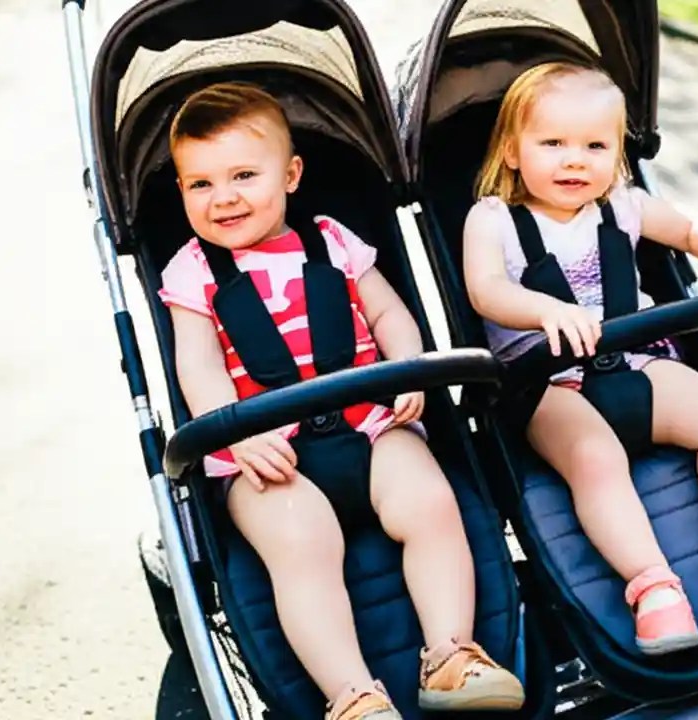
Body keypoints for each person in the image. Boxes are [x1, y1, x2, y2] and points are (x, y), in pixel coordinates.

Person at [159, 82, 524, 720]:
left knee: (432, 506)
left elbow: (387, 311)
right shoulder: (191, 271)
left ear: (292, 174)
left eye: (244, 174)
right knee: (301, 548)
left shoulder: (332, 240)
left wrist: (407, 370)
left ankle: (451, 656)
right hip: (268, 456)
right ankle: (353, 696)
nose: (224, 198)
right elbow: (198, 363)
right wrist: (237, 433)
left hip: (371, 425)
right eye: (200, 184)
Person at [461, 62, 698, 656]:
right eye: (553, 143)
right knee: (594, 458)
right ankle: (654, 587)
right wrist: (542, 310)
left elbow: (694, 229)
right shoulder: (492, 219)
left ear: (618, 153)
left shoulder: (622, 205)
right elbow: (486, 290)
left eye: (595, 145)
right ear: (512, 151)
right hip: (549, 387)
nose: (574, 160)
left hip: (637, 363)